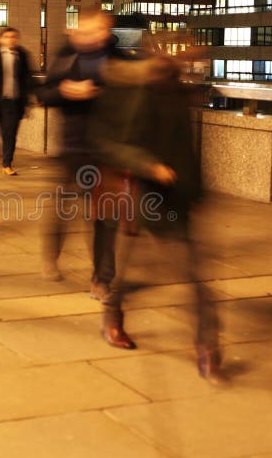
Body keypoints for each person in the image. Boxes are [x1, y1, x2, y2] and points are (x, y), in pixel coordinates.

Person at [88, 50, 224, 385]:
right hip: (144, 192)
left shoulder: (178, 93)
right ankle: (112, 314)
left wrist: (197, 190)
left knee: (193, 275)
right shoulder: (137, 94)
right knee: (130, 266)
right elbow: (114, 143)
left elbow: (187, 149)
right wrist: (149, 165)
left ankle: (207, 345)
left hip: (176, 195)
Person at [37, 9, 118, 282]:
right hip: (72, 148)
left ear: (106, 31)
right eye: (85, 30)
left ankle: (102, 276)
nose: (90, 36)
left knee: (103, 218)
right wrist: (64, 91)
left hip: (107, 150)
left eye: (96, 30)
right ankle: (51, 258)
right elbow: (44, 93)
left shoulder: (119, 59)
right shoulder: (66, 55)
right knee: (62, 211)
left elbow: (133, 98)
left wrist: (101, 94)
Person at [0, 27, 32, 176]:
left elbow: (28, 78)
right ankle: (5, 160)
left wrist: (33, 97)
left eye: (14, 37)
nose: (11, 39)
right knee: (4, 129)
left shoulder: (22, 55)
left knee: (10, 132)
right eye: (7, 37)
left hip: (15, 101)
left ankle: (7, 162)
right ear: (1, 39)